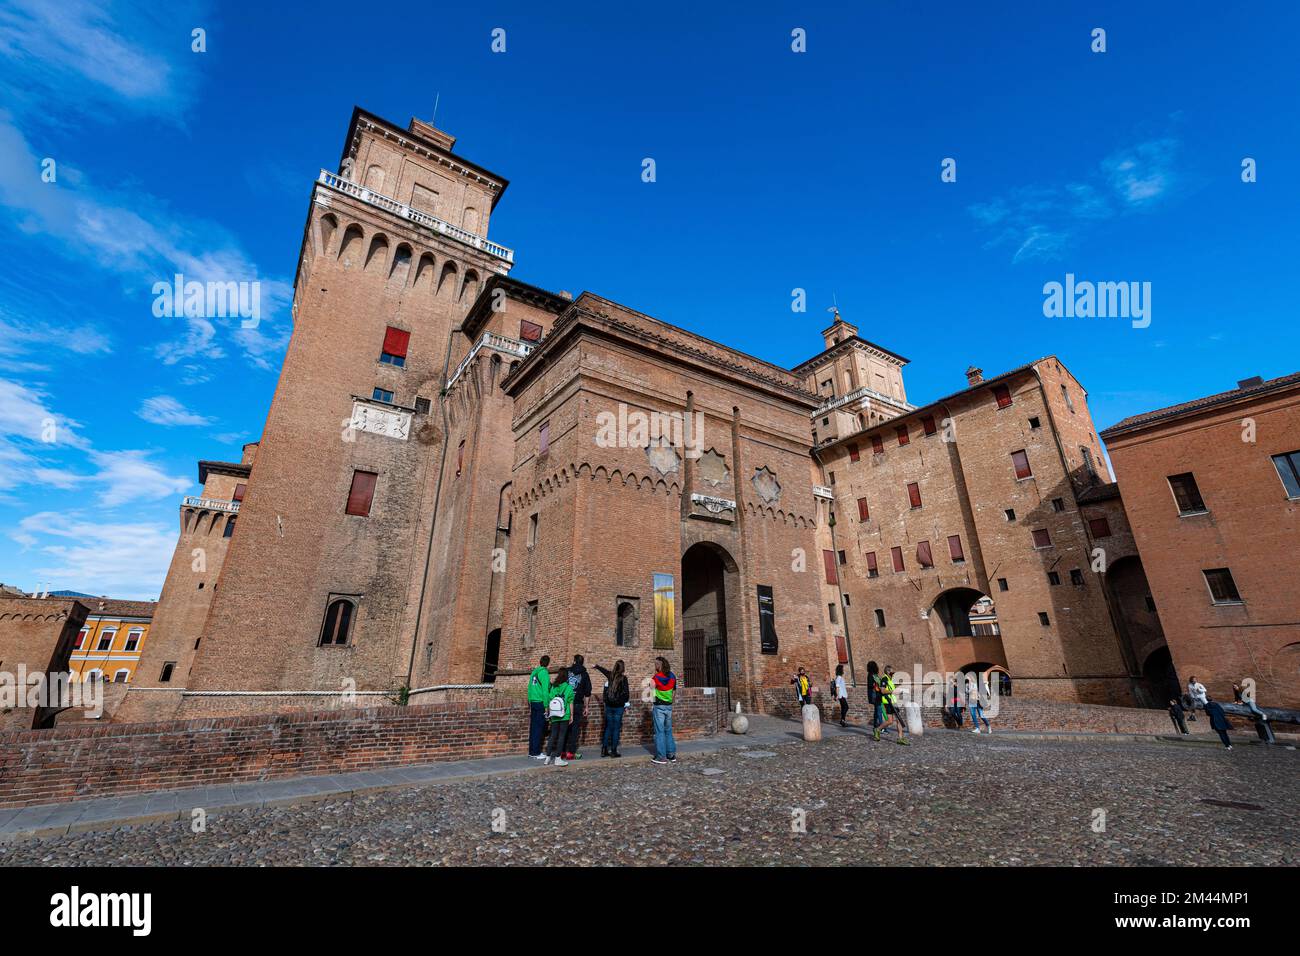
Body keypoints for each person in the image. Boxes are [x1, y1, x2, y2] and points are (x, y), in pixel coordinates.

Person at [593, 659, 630, 757]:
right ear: (623, 668)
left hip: (609, 706)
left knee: (608, 727)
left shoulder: (610, 675)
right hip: (618, 707)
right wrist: (625, 704)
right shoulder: (623, 678)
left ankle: (604, 750)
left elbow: (603, 671)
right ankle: (613, 751)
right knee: (616, 728)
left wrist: (597, 666)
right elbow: (626, 694)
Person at [563, 653, 593, 760]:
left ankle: (562, 751)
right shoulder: (585, 674)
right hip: (578, 704)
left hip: (566, 704)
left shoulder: (566, 672)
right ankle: (571, 753)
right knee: (575, 729)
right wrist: (586, 707)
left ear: (574, 661)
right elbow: (588, 693)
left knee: (564, 727)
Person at [544, 667, 575, 765]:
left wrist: (548, 712)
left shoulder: (554, 687)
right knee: (561, 737)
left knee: (552, 736)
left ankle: (547, 757)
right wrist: (571, 715)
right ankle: (557, 758)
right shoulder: (568, 687)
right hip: (564, 715)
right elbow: (570, 703)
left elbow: (550, 700)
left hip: (554, 714)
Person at [873, 664, 909, 745]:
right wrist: (894, 691)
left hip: (893, 701)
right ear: (888, 671)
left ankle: (878, 730)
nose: (893, 674)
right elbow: (882, 691)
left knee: (890, 721)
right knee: (897, 720)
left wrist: (899, 691)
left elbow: (891, 691)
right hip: (889, 702)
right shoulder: (884, 679)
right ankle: (900, 738)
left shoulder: (889, 680)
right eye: (892, 672)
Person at [651, 656, 677, 764]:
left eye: (656, 664)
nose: (655, 666)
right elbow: (674, 691)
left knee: (659, 732)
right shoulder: (672, 676)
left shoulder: (655, 678)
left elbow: (652, 694)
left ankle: (661, 757)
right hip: (669, 706)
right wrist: (671, 702)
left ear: (659, 665)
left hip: (659, 707)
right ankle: (671, 755)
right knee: (668, 731)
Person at [527, 655, 552, 759]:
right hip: (540, 702)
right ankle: (536, 753)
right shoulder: (544, 673)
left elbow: (529, 688)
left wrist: (529, 701)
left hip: (533, 701)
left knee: (533, 728)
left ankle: (531, 751)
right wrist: (546, 706)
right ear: (548, 663)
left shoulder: (534, 672)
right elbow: (545, 691)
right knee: (539, 728)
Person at [866, 660, 884, 733]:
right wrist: (876, 684)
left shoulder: (874, 675)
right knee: (879, 710)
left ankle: (875, 725)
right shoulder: (870, 675)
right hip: (875, 695)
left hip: (876, 695)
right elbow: (870, 685)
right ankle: (881, 728)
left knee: (877, 711)